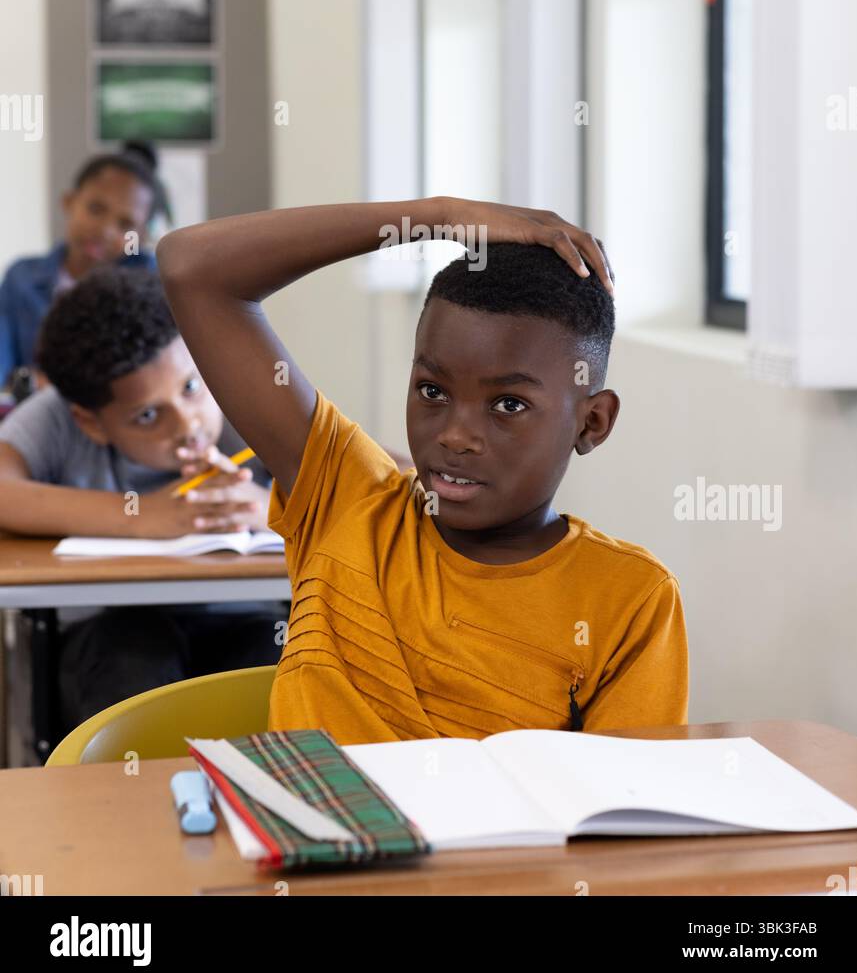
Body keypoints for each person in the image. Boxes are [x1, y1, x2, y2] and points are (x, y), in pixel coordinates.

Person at [157, 197, 688, 744]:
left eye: (508, 404)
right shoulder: (346, 497)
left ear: (592, 422)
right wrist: (437, 218)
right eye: (432, 391)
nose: (455, 434)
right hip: (312, 826)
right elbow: (190, 267)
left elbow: (621, 806)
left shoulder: (631, 597)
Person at [0, 266, 286, 733]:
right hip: (107, 633)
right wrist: (141, 517)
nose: (187, 425)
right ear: (91, 422)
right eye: (148, 415)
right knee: (132, 662)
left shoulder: (242, 395)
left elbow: (380, 474)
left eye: (191, 387)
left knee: (273, 667)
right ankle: (142, 804)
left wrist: (268, 508)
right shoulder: (55, 419)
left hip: (245, 618)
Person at [0, 141, 165, 390]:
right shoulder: (21, 277)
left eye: (126, 224)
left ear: (140, 236)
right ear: (69, 202)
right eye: (96, 209)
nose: (105, 231)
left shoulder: (148, 280)